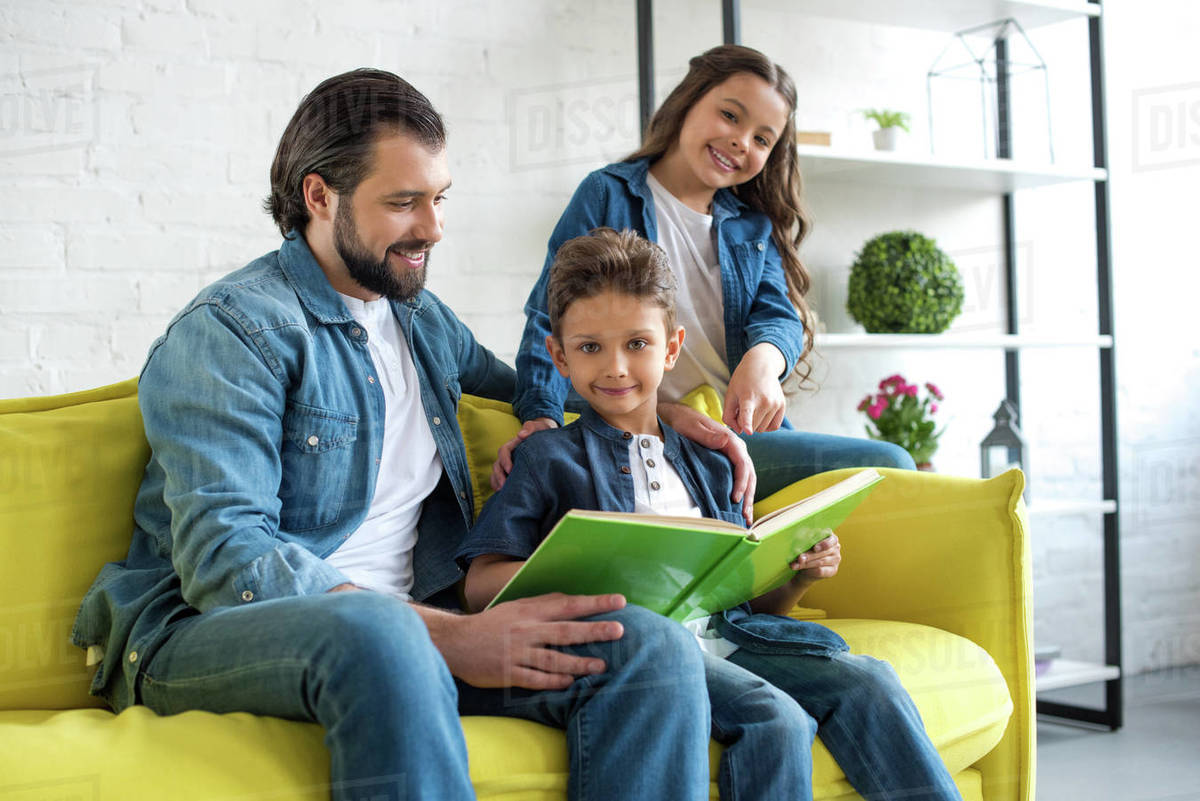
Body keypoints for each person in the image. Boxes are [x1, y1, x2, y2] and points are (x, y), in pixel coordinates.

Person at [70, 69, 715, 801]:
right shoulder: (234, 331)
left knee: (647, 645)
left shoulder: (419, 317)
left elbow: (549, 384)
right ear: (319, 197)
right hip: (205, 633)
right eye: (404, 202)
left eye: (439, 199)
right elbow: (227, 560)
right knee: (384, 634)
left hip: (409, 622)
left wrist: (662, 413)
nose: (434, 228)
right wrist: (449, 636)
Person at [459, 227, 962, 801]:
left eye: (637, 344)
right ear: (559, 356)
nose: (616, 367)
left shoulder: (707, 460)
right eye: (591, 347)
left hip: (729, 638)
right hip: (639, 651)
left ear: (671, 348)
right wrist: (574, 574)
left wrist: (795, 575)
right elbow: (478, 588)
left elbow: (739, 598)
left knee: (870, 681)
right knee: (776, 718)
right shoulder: (547, 459)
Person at [494, 44, 914, 509]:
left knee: (892, 471)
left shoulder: (752, 225)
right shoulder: (607, 195)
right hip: (641, 431)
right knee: (891, 462)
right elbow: (549, 318)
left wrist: (764, 362)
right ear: (688, 101)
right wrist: (542, 417)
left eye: (762, 139)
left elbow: (778, 315)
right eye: (731, 116)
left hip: (730, 434)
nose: (742, 141)